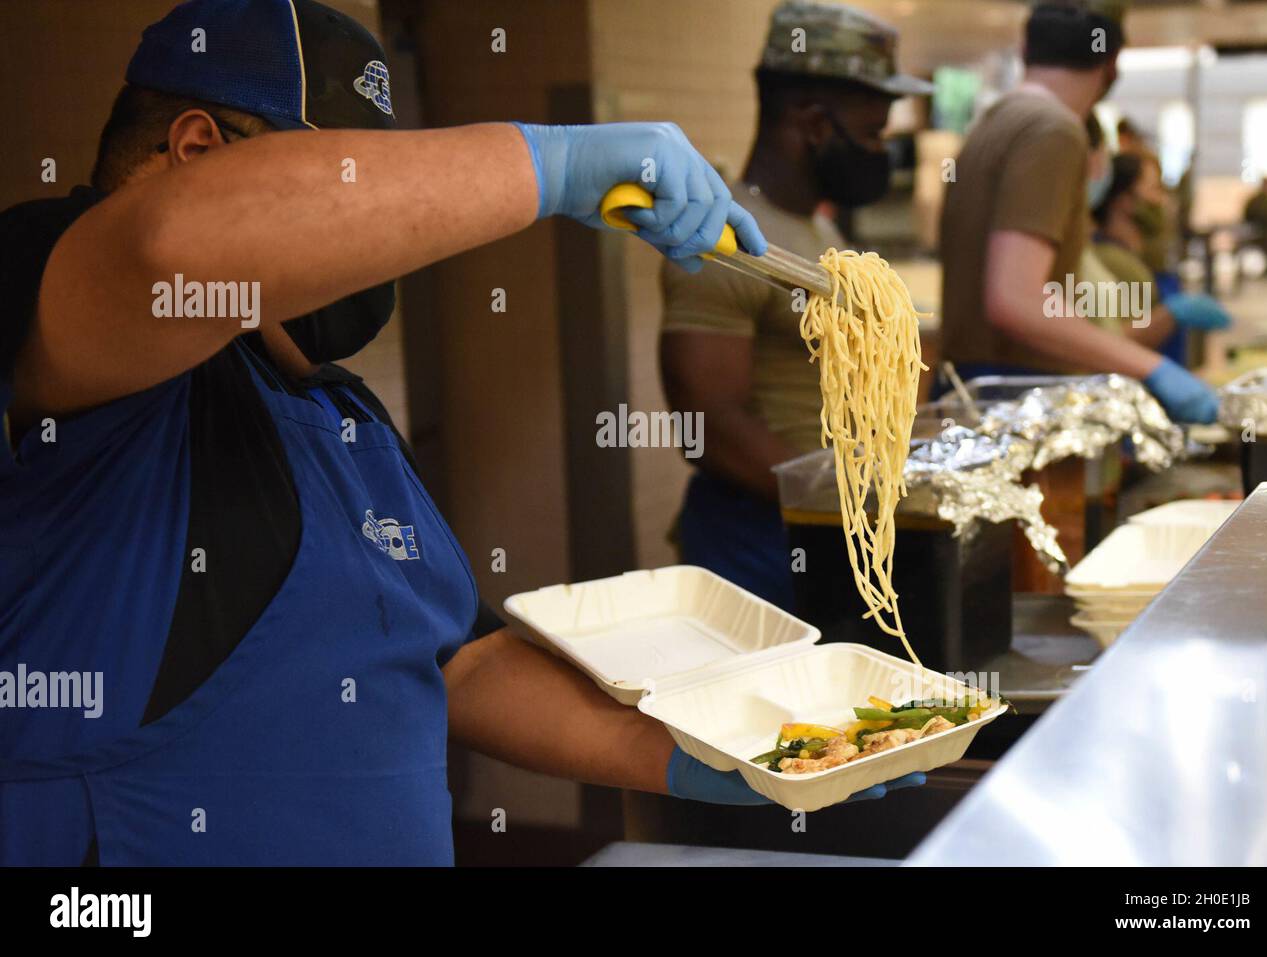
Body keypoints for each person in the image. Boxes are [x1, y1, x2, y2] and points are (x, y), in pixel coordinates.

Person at [0, 0, 923, 866]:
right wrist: (556, 166)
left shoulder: (335, 410)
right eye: (351, 175)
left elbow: (461, 662)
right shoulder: (52, 293)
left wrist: (703, 753)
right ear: (197, 152)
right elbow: (164, 251)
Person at [658, 1, 929, 609]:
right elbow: (709, 427)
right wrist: (854, 502)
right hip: (756, 542)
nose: (879, 151)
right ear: (813, 122)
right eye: (871, 134)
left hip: (823, 528)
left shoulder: (817, 234)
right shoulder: (725, 240)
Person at [938, 0, 1219, 424]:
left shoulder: (993, 122)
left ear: (1024, 48)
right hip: (1018, 397)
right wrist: (1151, 367)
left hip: (974, 390)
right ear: (1111, 65)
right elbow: (1015, 299)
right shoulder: (1053, 130)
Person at [1092, 150, 1231, 337]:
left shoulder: (1138, 259)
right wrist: (1168, 317)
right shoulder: (1114, 265)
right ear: (1125, 201)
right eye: (1153, 188)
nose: (1162, 200)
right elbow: (1110, 342)